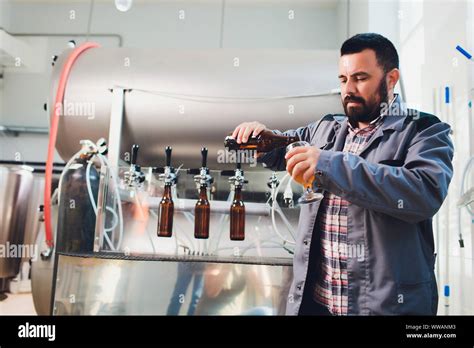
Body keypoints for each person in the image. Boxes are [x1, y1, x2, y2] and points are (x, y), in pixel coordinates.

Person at [230, 33, 454, 315]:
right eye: (343, 79)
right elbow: (282, 148)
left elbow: (424, 192)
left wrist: (328, 164)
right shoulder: (326, 128)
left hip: (384, 308)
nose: (348, 89)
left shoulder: (424, 130)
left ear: (391, 78)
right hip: (319, 305)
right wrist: (261, 138)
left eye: (360, 78)